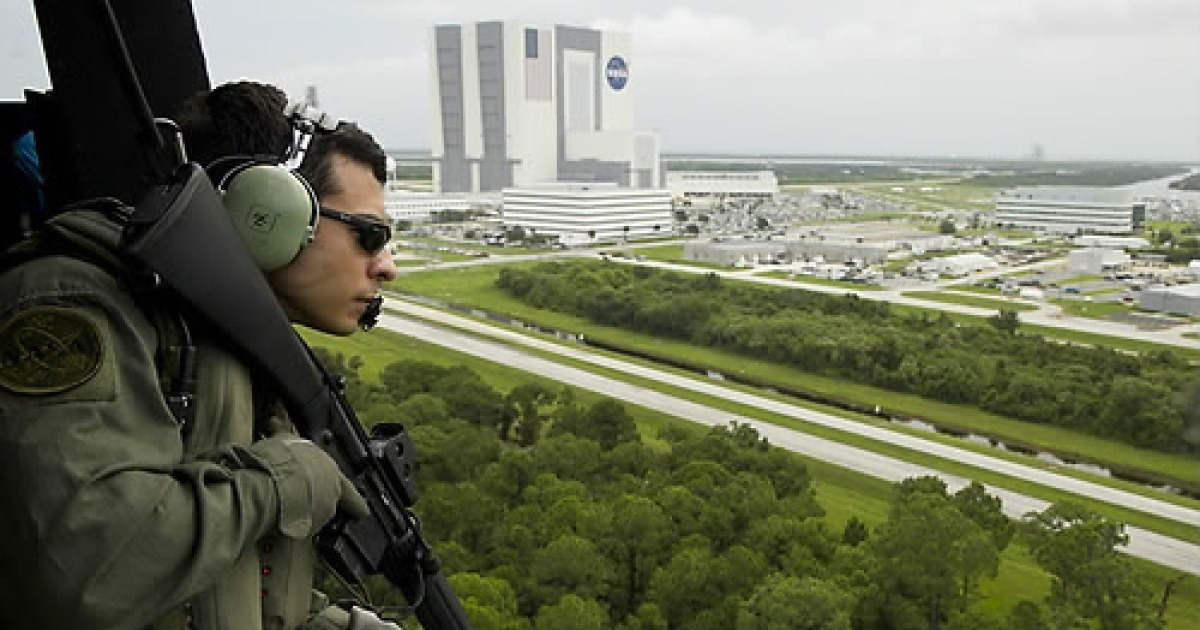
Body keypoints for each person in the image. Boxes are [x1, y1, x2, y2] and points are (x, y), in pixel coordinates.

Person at [0, 81, 400, 629]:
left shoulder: (221, 341)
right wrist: (289, 478)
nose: (386, 266)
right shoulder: (77, 303)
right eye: (369, 236)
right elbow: (87, 574)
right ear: (270, 211)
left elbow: (209, 589)